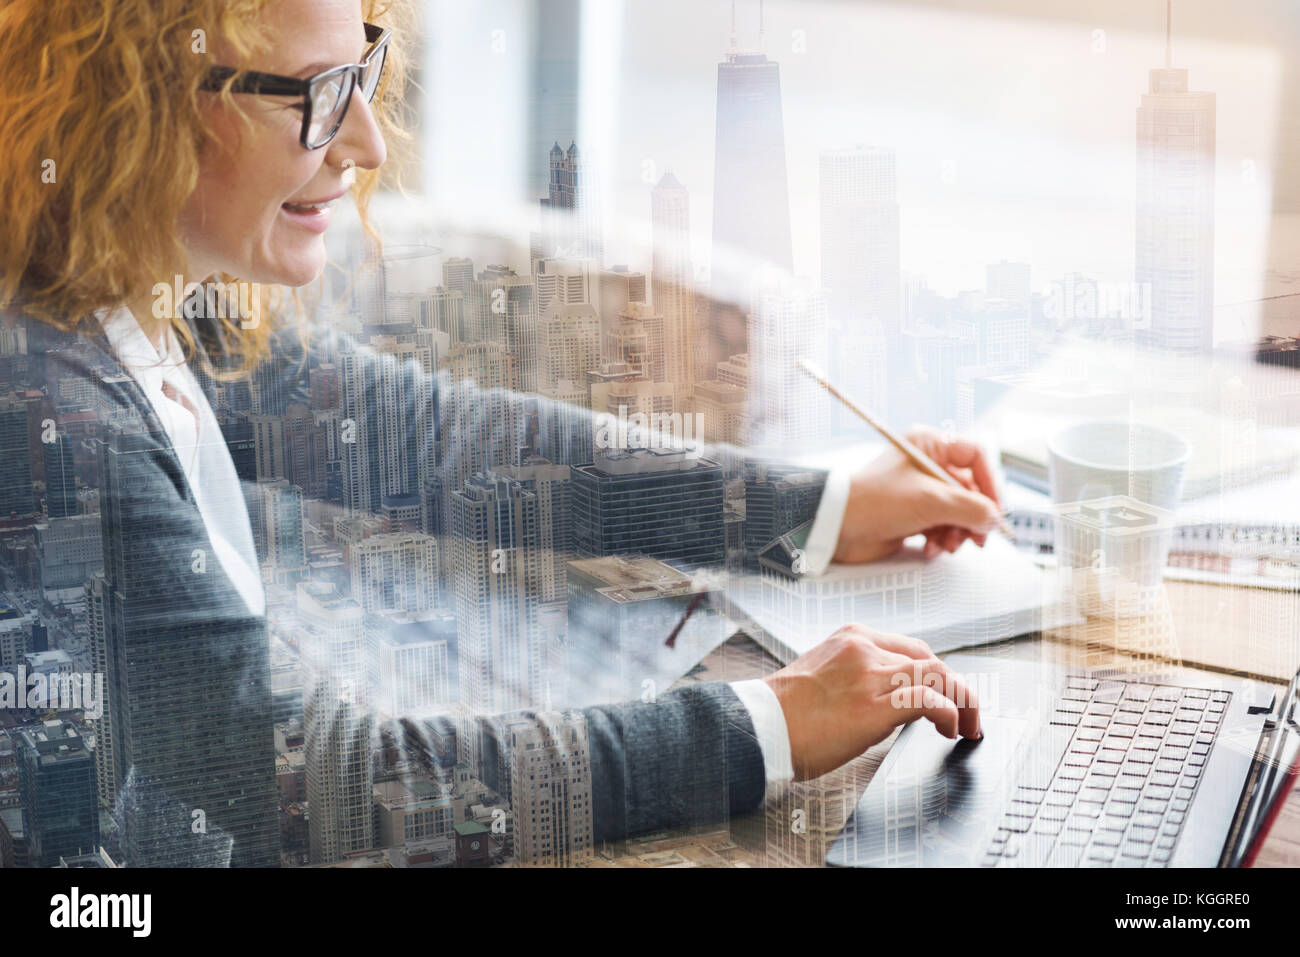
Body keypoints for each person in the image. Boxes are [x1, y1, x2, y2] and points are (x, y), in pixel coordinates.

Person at [1, 0, 1001, 865]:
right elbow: (336, 788)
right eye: (312, 95)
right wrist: (771, 724)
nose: (366, 145)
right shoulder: (50, 411)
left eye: (362, 71)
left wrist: (809, 507)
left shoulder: (125, 270)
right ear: (134, 99)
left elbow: (422, 437)